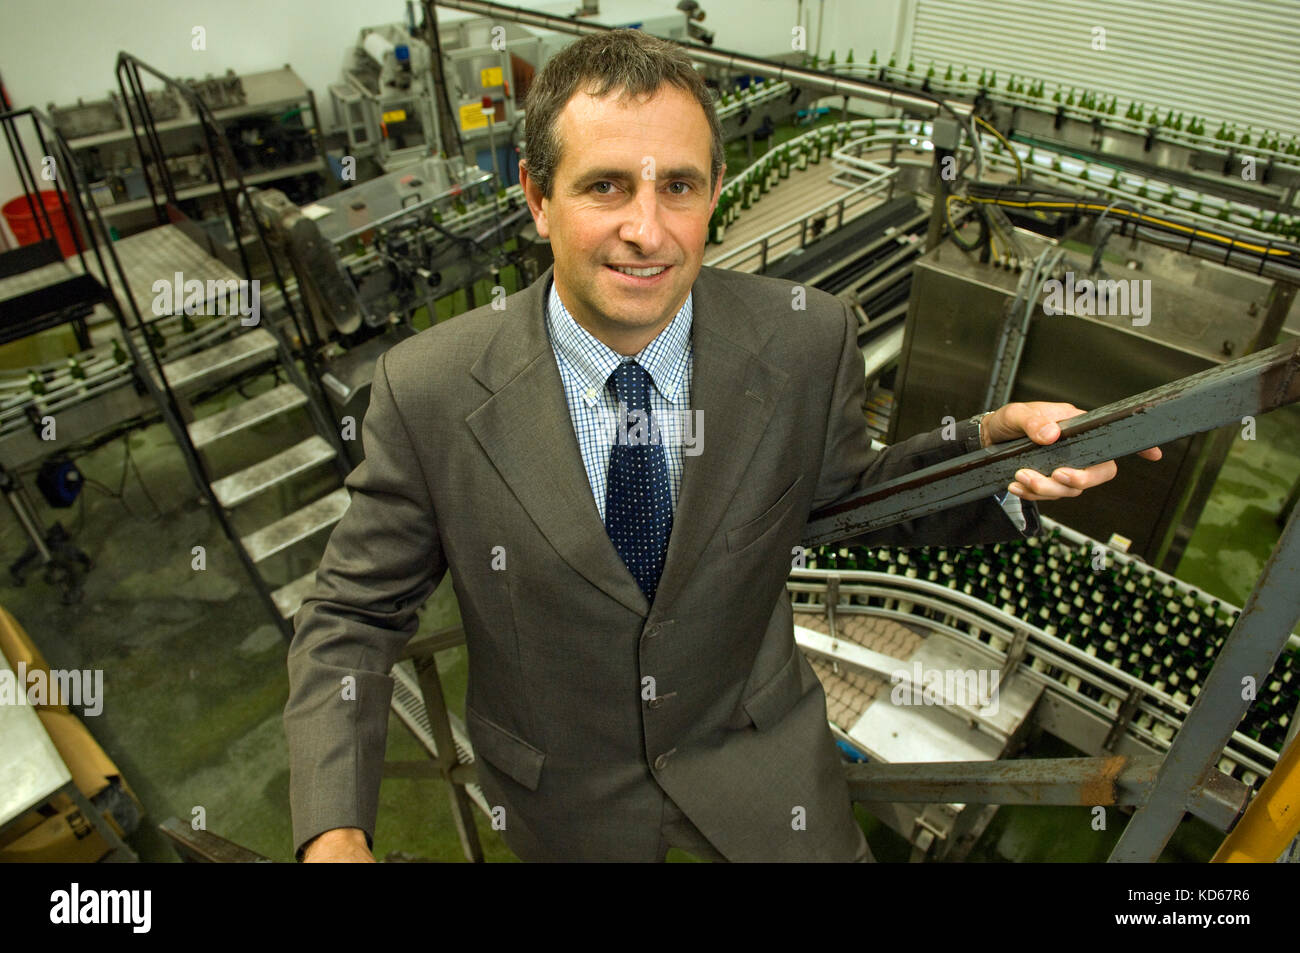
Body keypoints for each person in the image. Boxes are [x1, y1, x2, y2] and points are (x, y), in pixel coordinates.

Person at [284, 29, 1161, 863]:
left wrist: (986, 455)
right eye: (605, 187)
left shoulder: (803, 339)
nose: (648, 230)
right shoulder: (431, 388)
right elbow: (351, 617)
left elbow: (850, 499)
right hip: (562, 792)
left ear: (713, 190)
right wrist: (332, 831)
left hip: (759, 749)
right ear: (536, 197)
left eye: (679, 187)